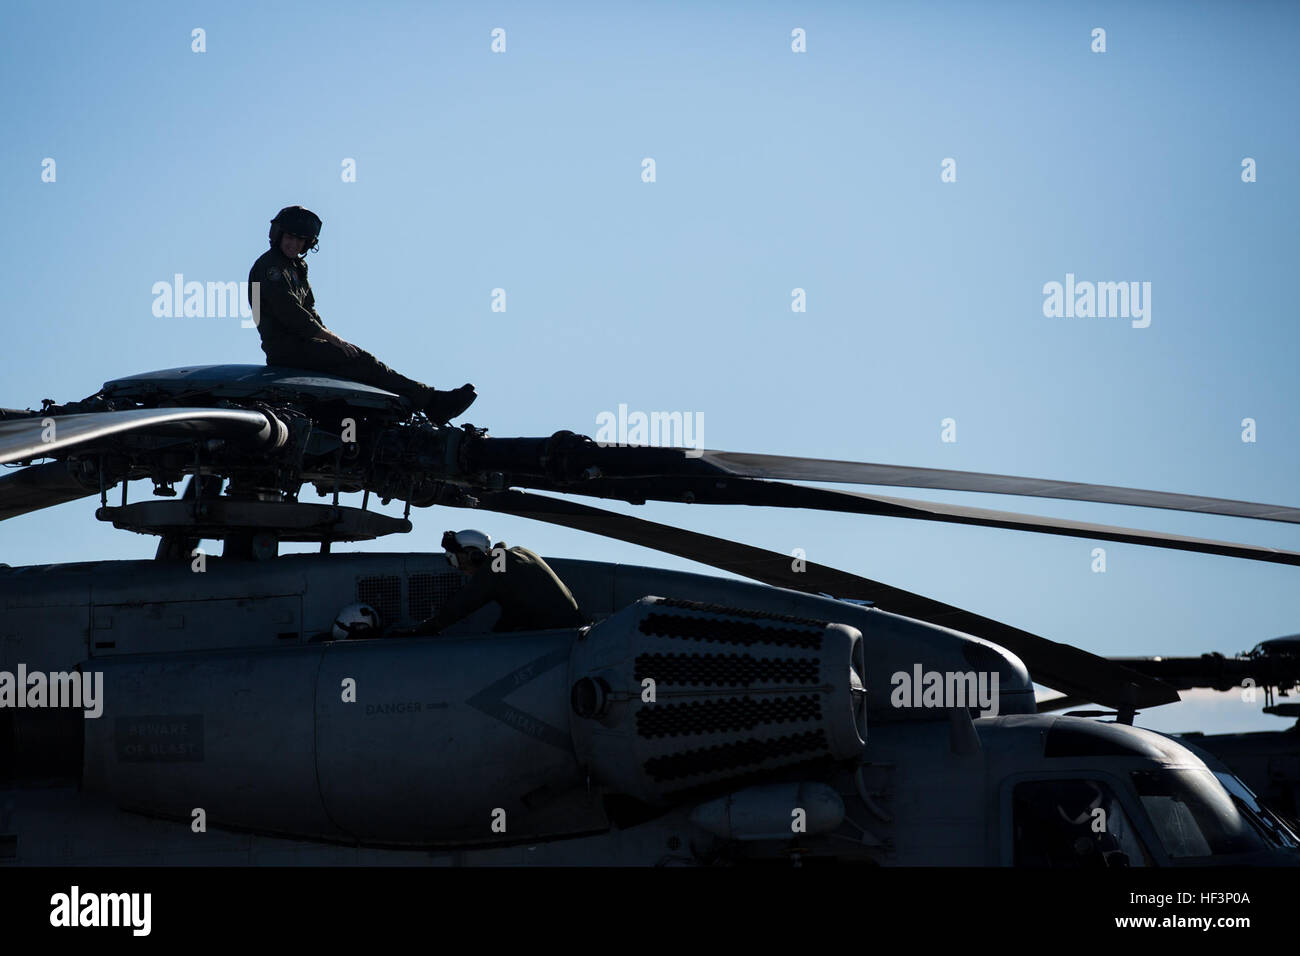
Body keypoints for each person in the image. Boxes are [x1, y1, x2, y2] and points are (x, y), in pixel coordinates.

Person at [247, 205, 476, 423]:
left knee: (354, 364)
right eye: (290, 237)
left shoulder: (295, 268)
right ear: (278, 235)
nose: (294, 244)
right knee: (361, 361)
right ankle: (430, 401)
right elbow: (292, 314)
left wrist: (329, 340)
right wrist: (333, 340)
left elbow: (310, 311)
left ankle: (418, 402)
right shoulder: (271, 268)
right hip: (287, 350)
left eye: (300, 240)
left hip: (302, 344)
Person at [412, 529, 588, 635]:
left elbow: (464, 603)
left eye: (455, 560)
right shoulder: (517, 554)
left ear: (475, 555)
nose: (458, 568)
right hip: (569, 631)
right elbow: (516, 608)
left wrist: (424, 630)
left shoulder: (497, 566)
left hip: (558, 635)